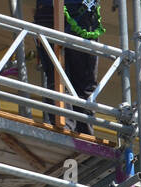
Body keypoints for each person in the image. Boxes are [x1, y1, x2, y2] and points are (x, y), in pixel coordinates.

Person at [35, 0, 102, 134]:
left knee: (59, 78)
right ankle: (77, 133)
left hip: (56, 10)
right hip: (79, 10)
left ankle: (68, 130)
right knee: (77, 82)